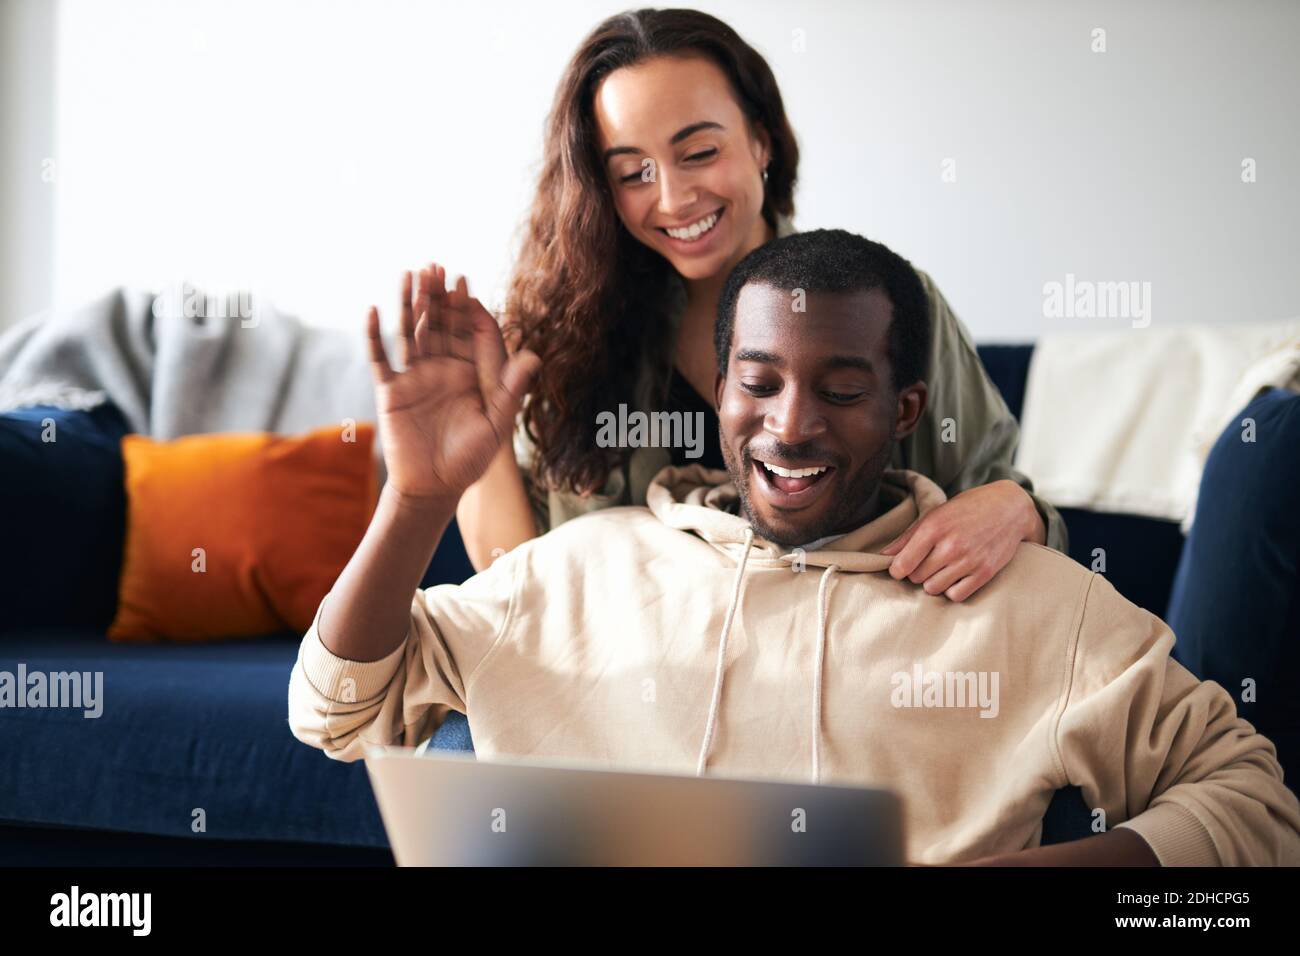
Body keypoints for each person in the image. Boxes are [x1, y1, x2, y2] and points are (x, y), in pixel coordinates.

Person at [289, 228, 1300, 865]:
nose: (791, 425)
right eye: (759, 382)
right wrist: (418, 501)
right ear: (720, 386)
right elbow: (336, 708)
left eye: (841, 389)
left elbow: (1255, 808)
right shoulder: (575, 568)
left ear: (906, 407)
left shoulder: (1035, 602)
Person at [449, 7, 1066, 604]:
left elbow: (1004, 513)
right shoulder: (575, 338)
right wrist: (482, 422)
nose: (673, 198)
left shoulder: (888, 302)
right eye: (634, 172)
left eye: (698, 153)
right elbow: (520, 581)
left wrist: (1017, 510)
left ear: (761, 141)